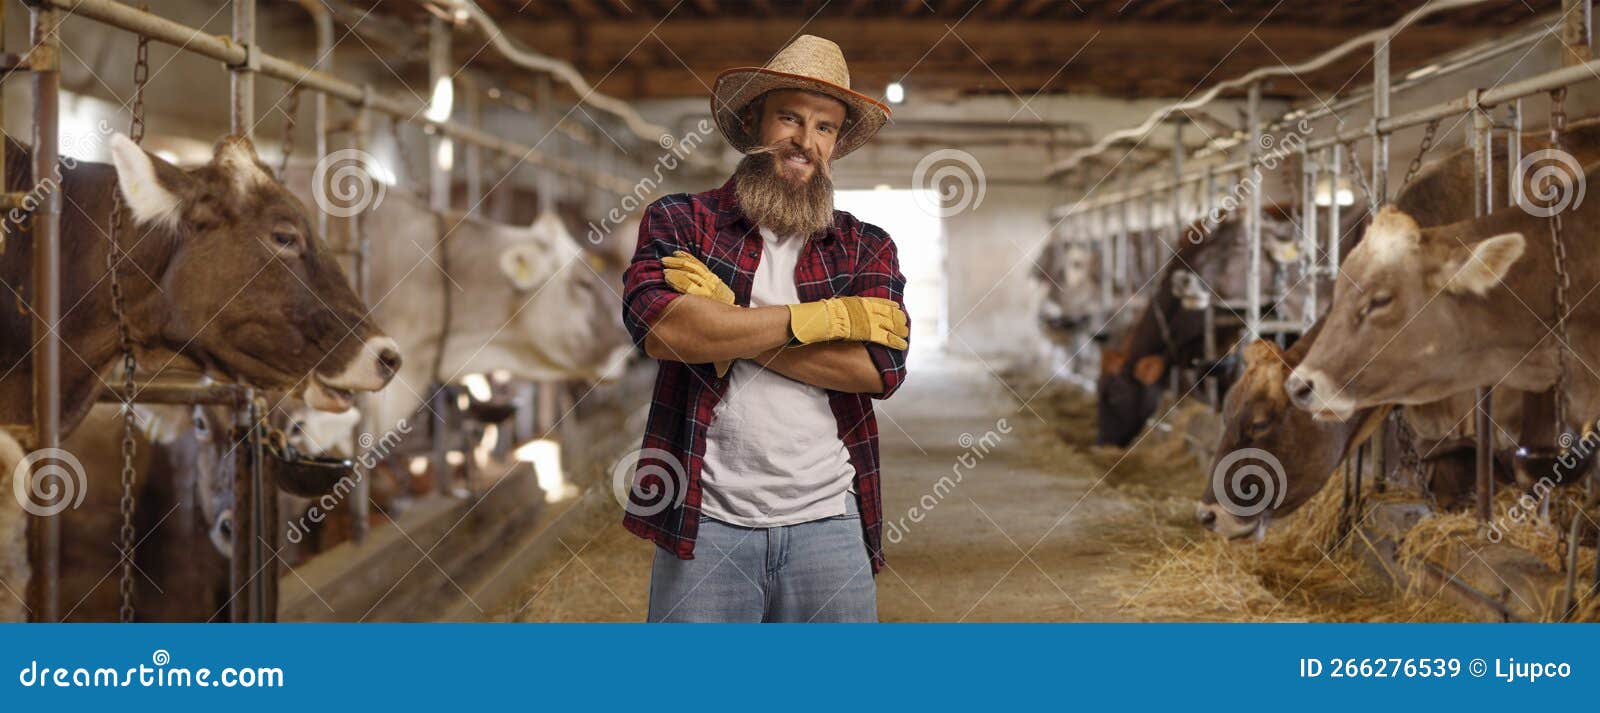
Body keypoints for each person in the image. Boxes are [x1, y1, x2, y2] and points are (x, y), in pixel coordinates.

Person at [620, 35, 910, 623]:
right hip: (705, 521)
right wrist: (817, 322)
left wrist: (732, 324)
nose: (806, 141)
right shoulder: (681, 220)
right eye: (790, 118)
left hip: (829, 518)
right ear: (755, 121)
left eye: (825, 128)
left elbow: (876, 371)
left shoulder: (865, 246)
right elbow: (665, 335)